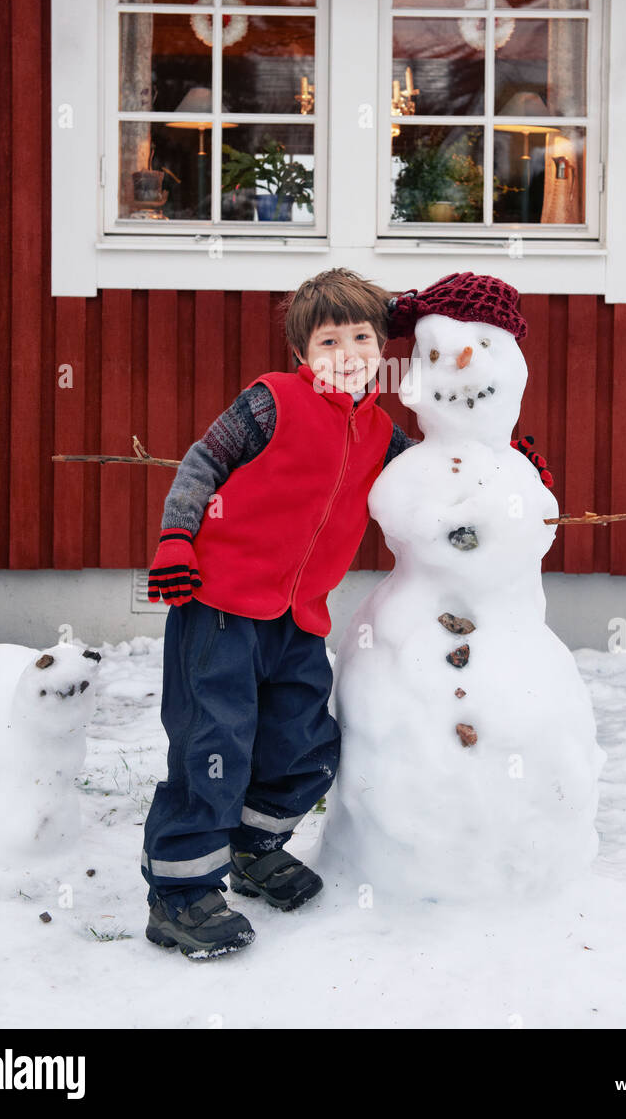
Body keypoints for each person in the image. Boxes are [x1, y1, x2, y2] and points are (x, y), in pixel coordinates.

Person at [140, 267, 420, 960]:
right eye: (331, 340)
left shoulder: (382, 432)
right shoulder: (272, 402)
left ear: (381, 347)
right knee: (214, 744)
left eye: (362, 335)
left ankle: (252, 847)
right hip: (221, 607)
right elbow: (202, 465)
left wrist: (499, 468)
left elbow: (433, 479)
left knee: (304, 741)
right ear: (304, 351)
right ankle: (180, 894)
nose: (348, 351)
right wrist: (177, 537)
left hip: (298, 618)